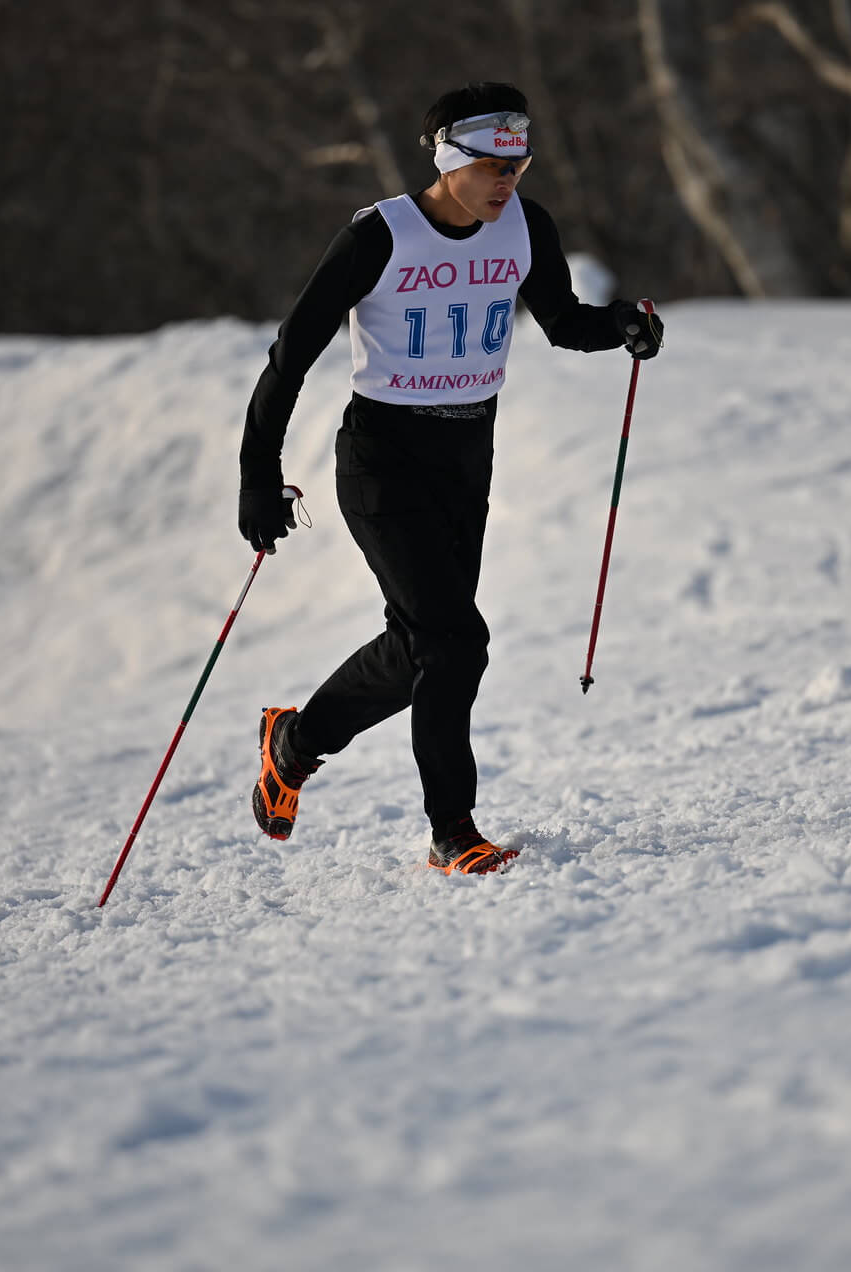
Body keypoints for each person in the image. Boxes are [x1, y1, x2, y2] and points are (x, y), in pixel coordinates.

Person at [238, 80, 663, 875]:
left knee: (422, 647)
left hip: (467, 456)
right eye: (494, 166)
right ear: (448, 160)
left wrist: (620, 326)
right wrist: (257, 474)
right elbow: (289, 356)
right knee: (456, 641)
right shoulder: (380, 236)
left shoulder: (527, 226)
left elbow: (564, 322)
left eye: (519, 165)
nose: (509, 181)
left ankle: (293, 742)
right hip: (383, 458)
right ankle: (453, 832)